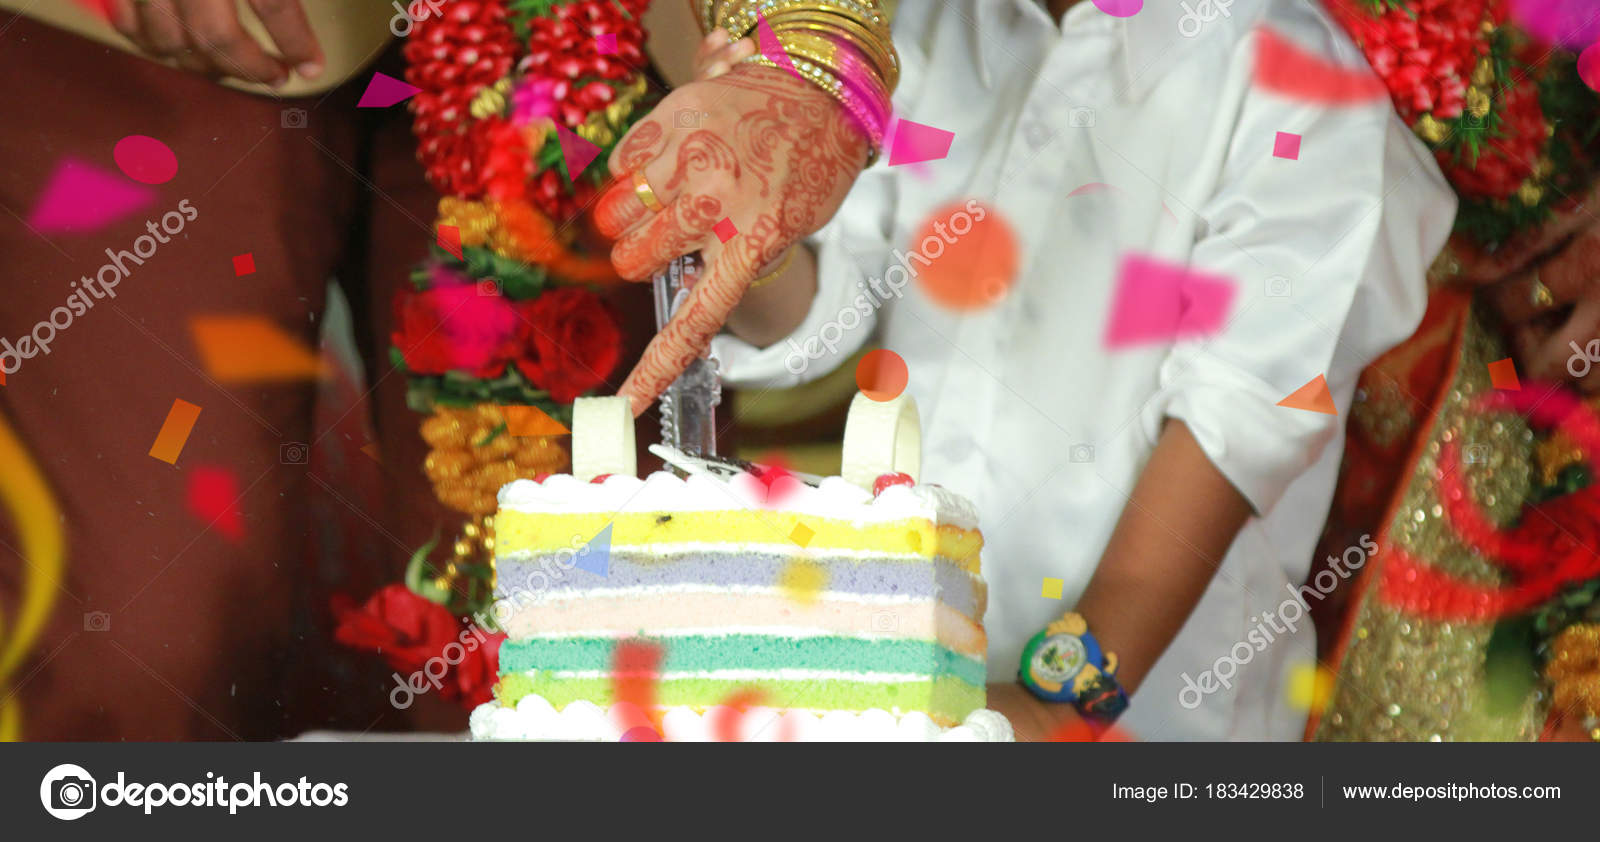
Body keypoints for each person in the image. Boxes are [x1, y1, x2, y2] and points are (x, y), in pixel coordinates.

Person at [600, 0, 1455, 739]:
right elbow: (831, 315)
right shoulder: (936, 32)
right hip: (920, 694)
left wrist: (1060, 704)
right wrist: (745, 225)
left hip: (1150, 723)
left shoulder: (1294, 78)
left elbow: (1238, 429)